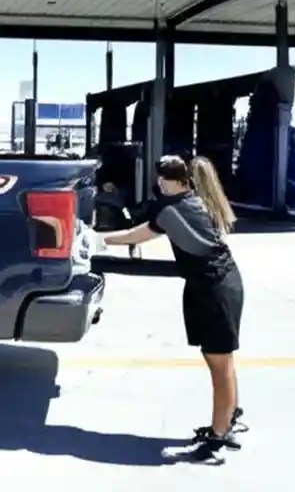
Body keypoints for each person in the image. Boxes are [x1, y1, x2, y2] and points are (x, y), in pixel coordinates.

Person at [99, 154, 247, 457]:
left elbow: (135, 234)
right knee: (223, 362)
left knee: (219, 365)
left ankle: (218, 435)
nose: (158, 183)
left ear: (174, 181)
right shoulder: (195, 201)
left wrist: (99, 241)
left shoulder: (169, 210)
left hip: (214, 291)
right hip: (222, 284)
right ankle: (228, 418)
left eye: (161, 178)